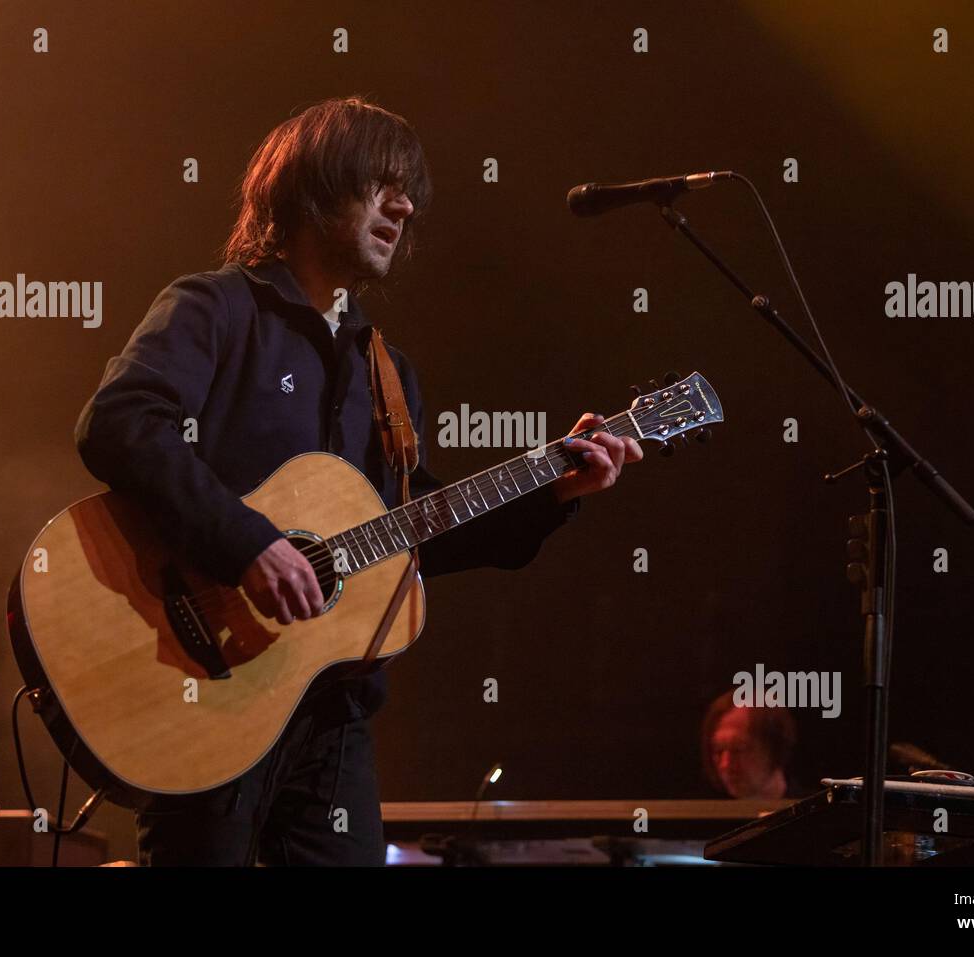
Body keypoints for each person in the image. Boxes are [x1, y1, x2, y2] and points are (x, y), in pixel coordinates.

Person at [74, 96, 642, 865]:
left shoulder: (387, 370)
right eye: (381, 180)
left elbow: (409, 531)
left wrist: (554, 489)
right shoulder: (214, 308)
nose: (404, 205)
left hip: (332, 724)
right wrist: (249, 544)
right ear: (313, 185)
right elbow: (120, 422)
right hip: (207, 691)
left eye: (408, 189)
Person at [699, 690, 798, 800]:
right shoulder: (704, 813)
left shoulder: (813, 812)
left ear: (774, 747)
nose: (725, 764)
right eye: (718, 751)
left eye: (738, 749)